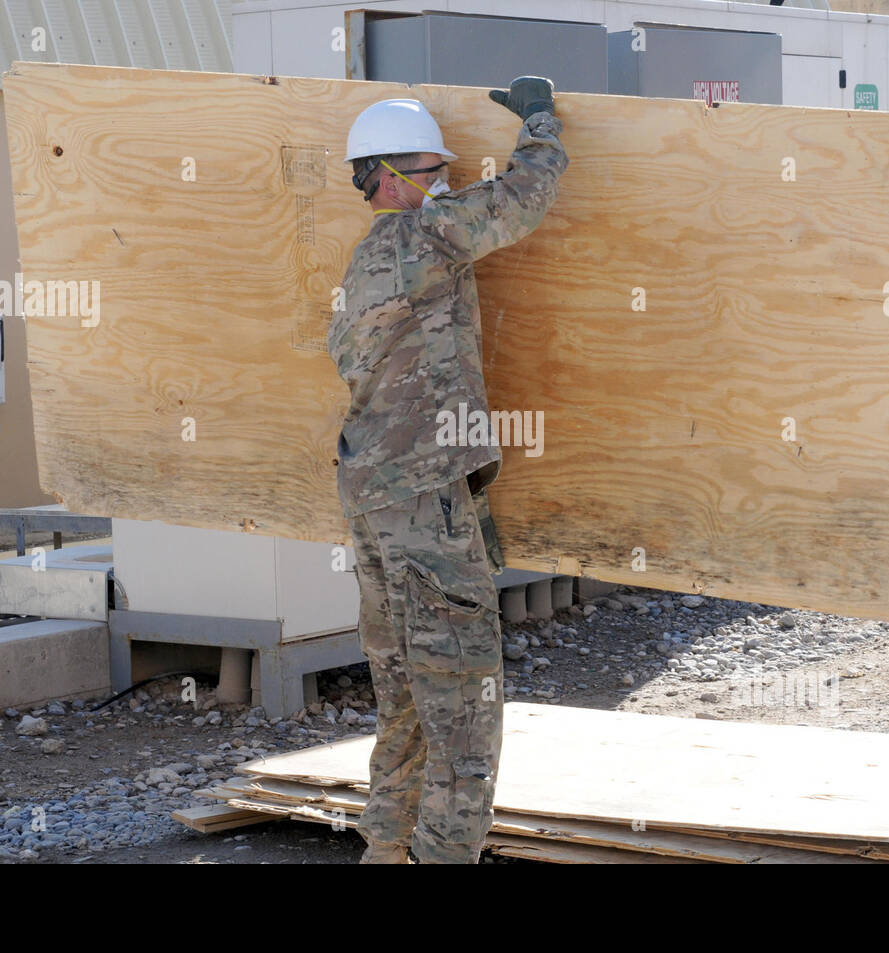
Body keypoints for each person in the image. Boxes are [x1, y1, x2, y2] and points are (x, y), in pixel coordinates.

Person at [328, 77, 567, 863]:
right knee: (465, 713)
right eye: (435, 173)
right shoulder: (421, 239)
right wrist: (540, 122)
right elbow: (524, 198)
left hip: (373, 503)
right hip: (425, 507)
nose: (448, 186)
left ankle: (386, 853)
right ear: (389, 178)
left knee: (404, 711)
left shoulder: (362, 266)